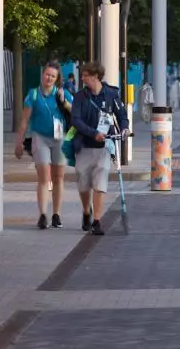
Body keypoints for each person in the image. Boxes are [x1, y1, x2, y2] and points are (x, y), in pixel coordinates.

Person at [70, 61, 128, 236]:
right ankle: (86, 212)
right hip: (84, 144)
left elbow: (122, 115)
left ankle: (97, 221)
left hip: (104, 145)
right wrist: (92, 132)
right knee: (83, 184)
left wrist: (125, 128)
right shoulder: (80, 97)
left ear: (95, 76)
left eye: (85, 75)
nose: (82, 78)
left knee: (100, 182)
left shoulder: (111, 94)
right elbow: (76, 120)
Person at [15, 60, 73, 228]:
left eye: (53, 76)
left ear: (57, 79)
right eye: (47, 74)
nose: (49, 78)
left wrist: (64, 102)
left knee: (58, 177)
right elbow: (25, 121)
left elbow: (75, 111)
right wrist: (19, 142)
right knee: (44, 176)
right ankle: (42, 214)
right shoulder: (33, 95)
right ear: (42, 74)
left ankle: (56, 214)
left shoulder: (62, 93)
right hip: (40, 137)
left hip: (59, 138)